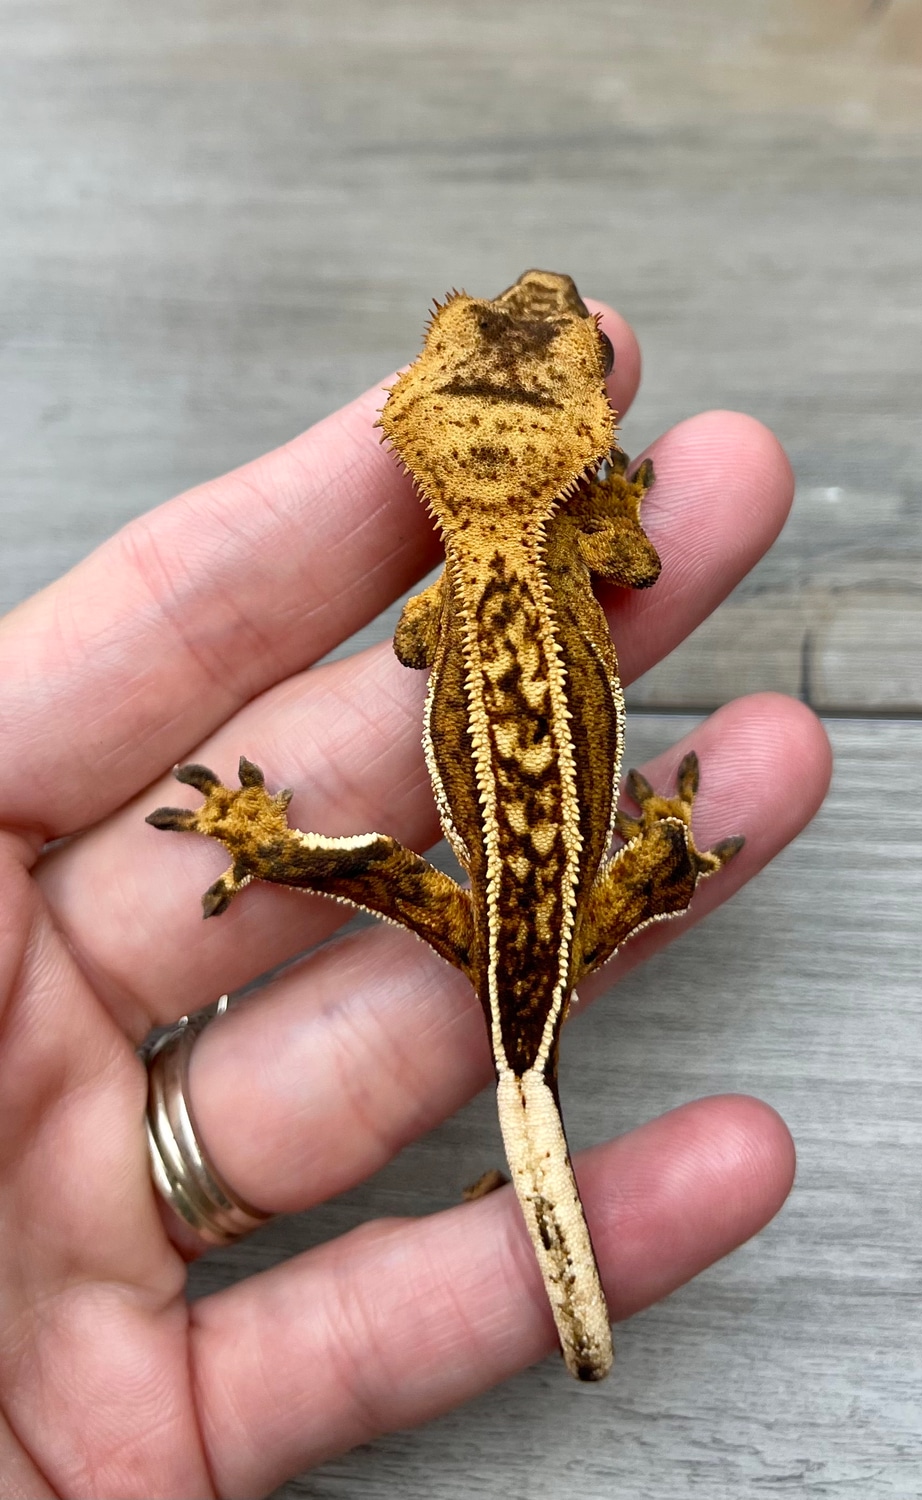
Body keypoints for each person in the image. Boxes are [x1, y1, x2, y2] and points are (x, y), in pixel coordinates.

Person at [0, 302, 830, 1498]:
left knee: (404, 889)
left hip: (501, 918)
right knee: (482, 955)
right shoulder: (557, 551)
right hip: (548, 916)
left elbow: (411, 647)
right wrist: (606, 511)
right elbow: (637, 565)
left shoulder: (451, 578)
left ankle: (303, 849)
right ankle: (659, 876)